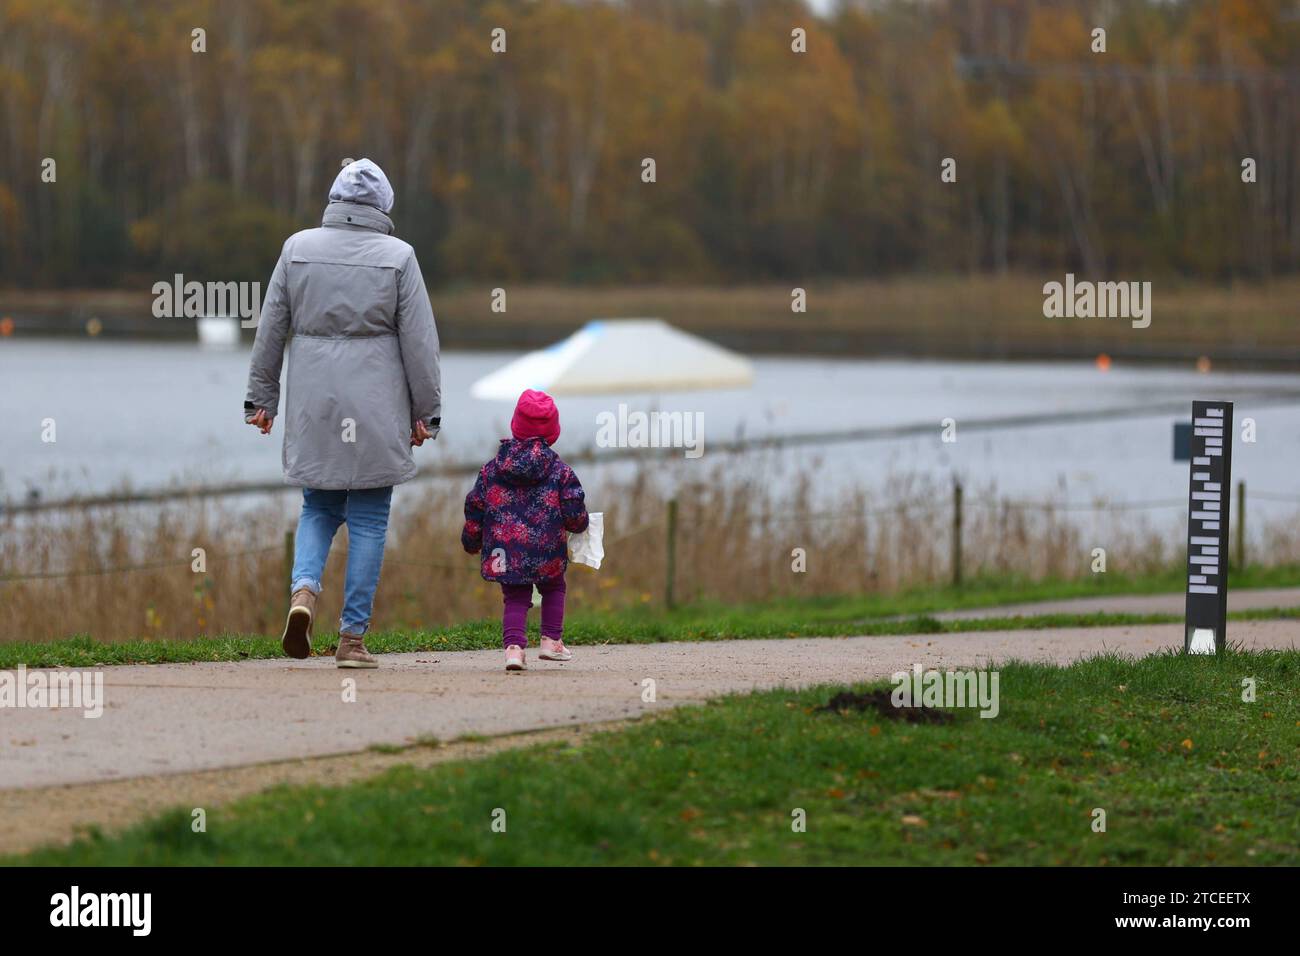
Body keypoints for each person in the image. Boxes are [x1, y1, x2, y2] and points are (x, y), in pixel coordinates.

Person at [244, 158, 440, 668]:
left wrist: (261, 399)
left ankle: (304, 594)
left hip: (316, 405)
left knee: (318, 507)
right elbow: (420, 343)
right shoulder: (399, 258)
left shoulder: (297, 249)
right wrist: (428, 411)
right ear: (383, 206)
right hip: (376, 407)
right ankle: (351, 641)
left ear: (334, 199)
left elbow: (270, 329)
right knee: (370, 520)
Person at [461, 390, 589, 671]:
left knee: (515, 597)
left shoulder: (492, 470)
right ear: (554, 432)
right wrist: (581, 525)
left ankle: (514, 651)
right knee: (554, 587)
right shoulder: (559, 471)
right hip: (547, 549)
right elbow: (573, 508)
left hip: (505, 550)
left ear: (515, 425)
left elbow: (475, 507)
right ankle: (551, 642)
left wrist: (471, 540)